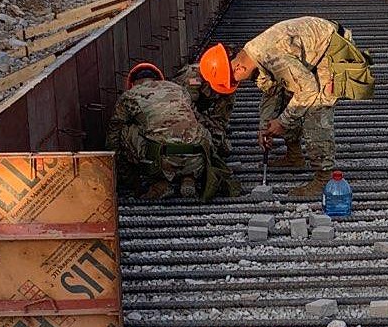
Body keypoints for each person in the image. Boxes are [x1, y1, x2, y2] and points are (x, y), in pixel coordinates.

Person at [199, 17, 373, 197]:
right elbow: (272, 91)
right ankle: (294, 156)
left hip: (330, 49)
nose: (237, 85)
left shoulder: (272, 56)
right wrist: (265, 126)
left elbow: (309, 90)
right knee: (289, 96)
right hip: (310, 52)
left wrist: (282, 122)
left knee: (316, 108)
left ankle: (324, 178)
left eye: (234, 81)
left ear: (238, 69)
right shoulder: (251, 55)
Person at [106, 64, 237, 201]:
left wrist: (124, 176)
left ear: (133, 83)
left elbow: (113, 135)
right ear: (159, 79)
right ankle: (189, 177)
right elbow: (198, 119)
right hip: (198, 158)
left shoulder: (129, 95)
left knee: (125, 131)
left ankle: (161, 182)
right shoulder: (179, 89)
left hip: (161, 162)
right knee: (193, 127)